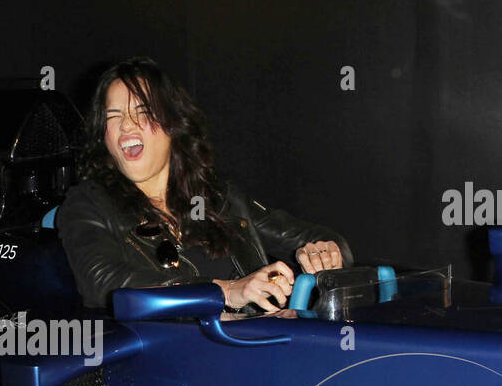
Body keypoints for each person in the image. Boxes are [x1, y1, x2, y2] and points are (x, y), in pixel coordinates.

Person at [57, 57, 353, 313]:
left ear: (174, 124)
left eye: (143, 112)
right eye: (114, 116)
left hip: (253, 348)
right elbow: (104, 285)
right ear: (104, 136)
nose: (126, 125)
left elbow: (316, 238)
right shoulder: (88, 203)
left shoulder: (219, 199)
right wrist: (224, 291)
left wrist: (325, 252)